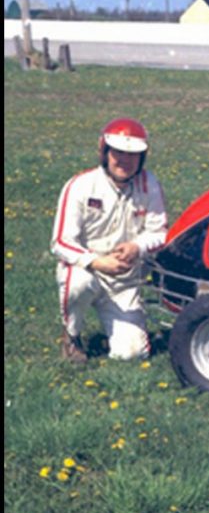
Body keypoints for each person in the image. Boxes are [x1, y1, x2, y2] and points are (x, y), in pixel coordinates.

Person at [51, 118, 167, 363]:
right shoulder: (80, 185)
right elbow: (60, 242)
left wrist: (137, 247)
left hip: (125, 281)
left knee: (132, 354)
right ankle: (72, 335)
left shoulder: (150, 184)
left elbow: (160, 233)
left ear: (143, 157)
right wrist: (96, 262)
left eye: (133, 154)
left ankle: (114, 334)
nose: (125, 160)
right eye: (118, 152)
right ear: (104, 151)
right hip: (87, 271)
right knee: (78, 284)